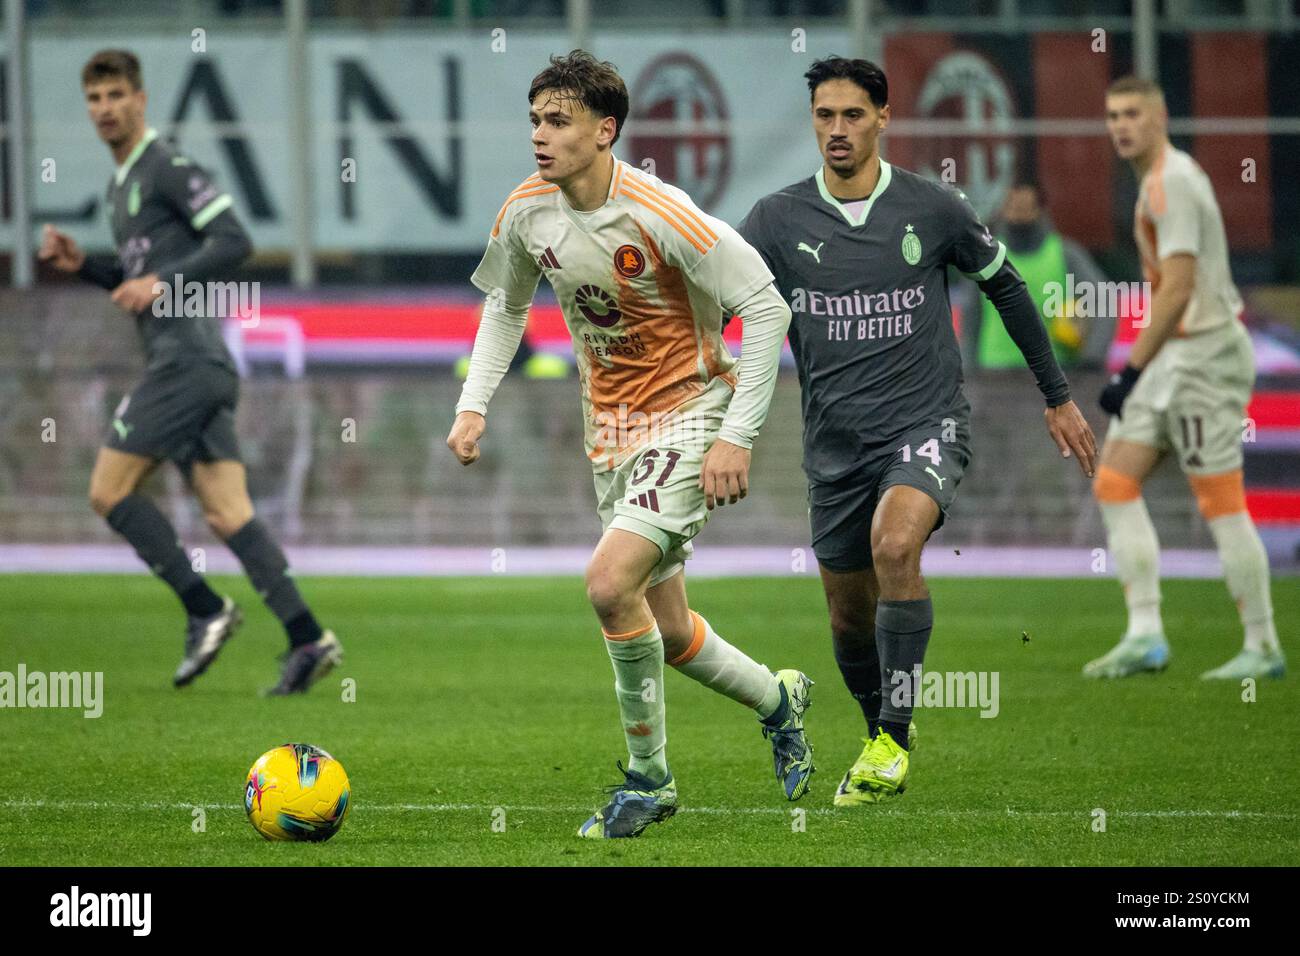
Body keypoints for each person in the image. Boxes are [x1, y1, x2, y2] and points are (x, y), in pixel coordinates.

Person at [446, 51, 809, 838]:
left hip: (690, 414)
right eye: (536, 120)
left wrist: (735, 438)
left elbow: (767, 309)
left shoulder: (663, 212)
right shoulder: (525, 210)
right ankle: (781, 703)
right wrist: (473, 406)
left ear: (605, 131)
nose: (541, 136)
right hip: (608, 430)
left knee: (609, 584)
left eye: (559, 121)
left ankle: (651, 782)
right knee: (669, 630)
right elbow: (506, 307)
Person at [738, 56, 1097, 805]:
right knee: (846, 614)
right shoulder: (775, 220)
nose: (837, 130)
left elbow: (1006, 284)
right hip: (833, 445)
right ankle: (878, 734)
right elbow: (721, 298)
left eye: (853, 116)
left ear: (883, 119)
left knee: (896, 544)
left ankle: (895, 742)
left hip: (924, 423)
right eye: (825, 116)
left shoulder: (933, 208)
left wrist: (1057, 395)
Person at [39, 49, 341, 695]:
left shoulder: (165, 165)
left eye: (116, 95)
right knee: (229, 514)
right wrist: (85, 266)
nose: (105, 109)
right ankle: (308, 637)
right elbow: (137, 283)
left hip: (187, 359)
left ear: (141, 99)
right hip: (194, 363)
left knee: (107, 491)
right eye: (94, 99)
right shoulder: (120, 189)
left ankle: (205, 608)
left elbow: (234, 240)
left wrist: (161, 282)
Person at [1086, 75, 1283, 681]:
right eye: (1113, 115)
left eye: (1132, 114)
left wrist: (1131, 368)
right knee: (1115, 482)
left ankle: (1263, 645)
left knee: (1219, 500)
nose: (1121, 125)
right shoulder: (1157, 180)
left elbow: (1177, 289)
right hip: (1177, 356)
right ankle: (1146, 634)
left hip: (1204, 358)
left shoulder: (1172, 180)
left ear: (1160, 116)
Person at [965, 181, 1112, 370]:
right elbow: (971, 317)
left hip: (1055, 374)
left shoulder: (1065, 254)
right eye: (1013, 207)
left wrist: (1092, 357)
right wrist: (967, 369)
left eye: (1025, 208)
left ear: (1040, 211)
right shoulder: (984, 257)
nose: (1018, 215)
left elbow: (1104, 301)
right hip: (994, 372)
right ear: (1002, 210)